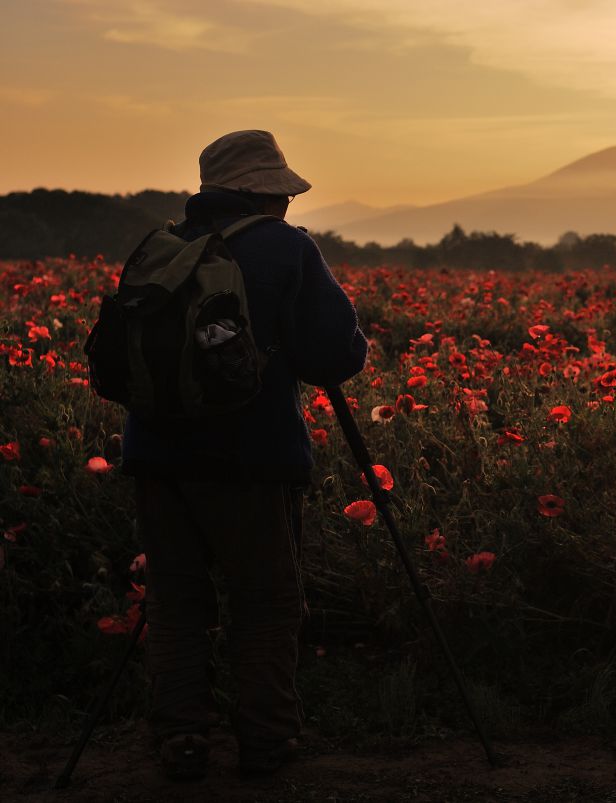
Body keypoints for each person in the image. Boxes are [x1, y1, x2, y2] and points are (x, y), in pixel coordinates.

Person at [120, 130, 368, 779]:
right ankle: (266, 740)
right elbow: (333, 357)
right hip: (250, 460)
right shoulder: (286, 248)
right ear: (267, 192)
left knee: (174, 601)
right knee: (265, 600)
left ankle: (180, 738)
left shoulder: (162, 246)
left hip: (154, 456)